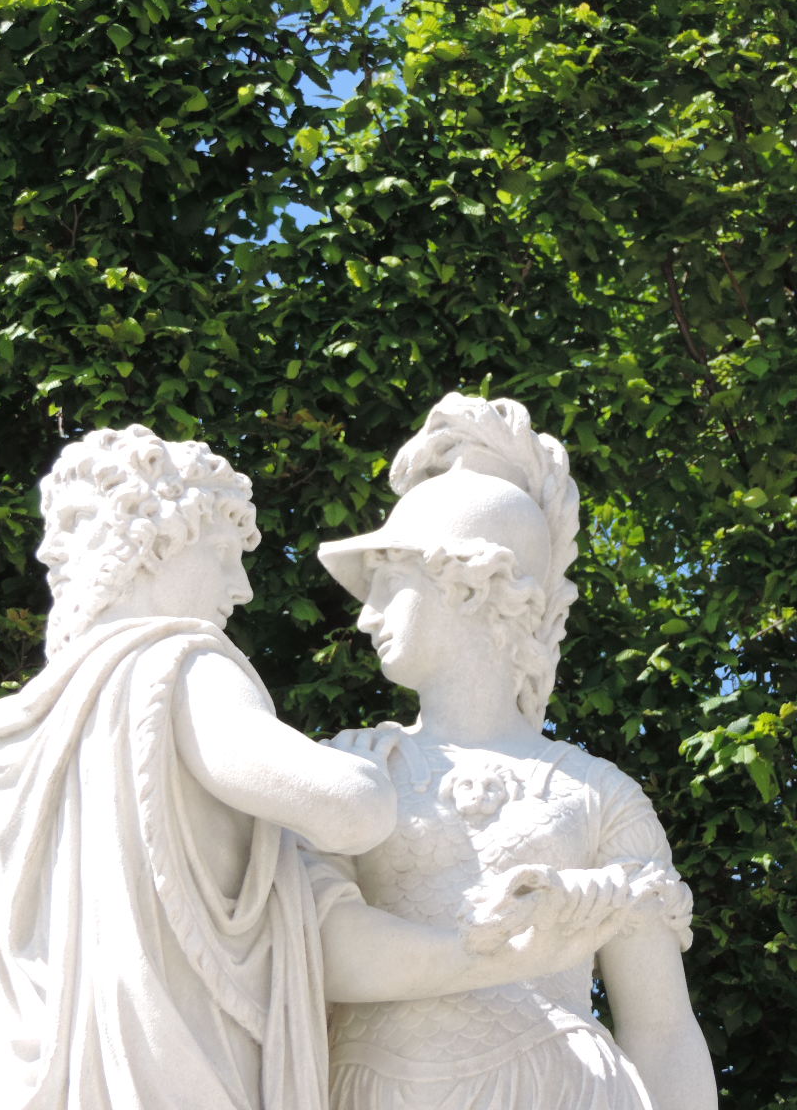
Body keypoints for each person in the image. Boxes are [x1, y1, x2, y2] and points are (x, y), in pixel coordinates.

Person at [0, 425, 397, 1110]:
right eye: (225, 555)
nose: (241, 590)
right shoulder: (177, 670)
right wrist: (368, 769)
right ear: (153, 546)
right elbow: (349, 810)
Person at [310, 395, 718, 1110]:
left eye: (389, 589)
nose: (366, 616)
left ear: (472, 587)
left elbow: (661, 1029)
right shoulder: (355, 767)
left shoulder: (599, 794)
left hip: (563, 1089)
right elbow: (326, 952)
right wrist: (492, 949)